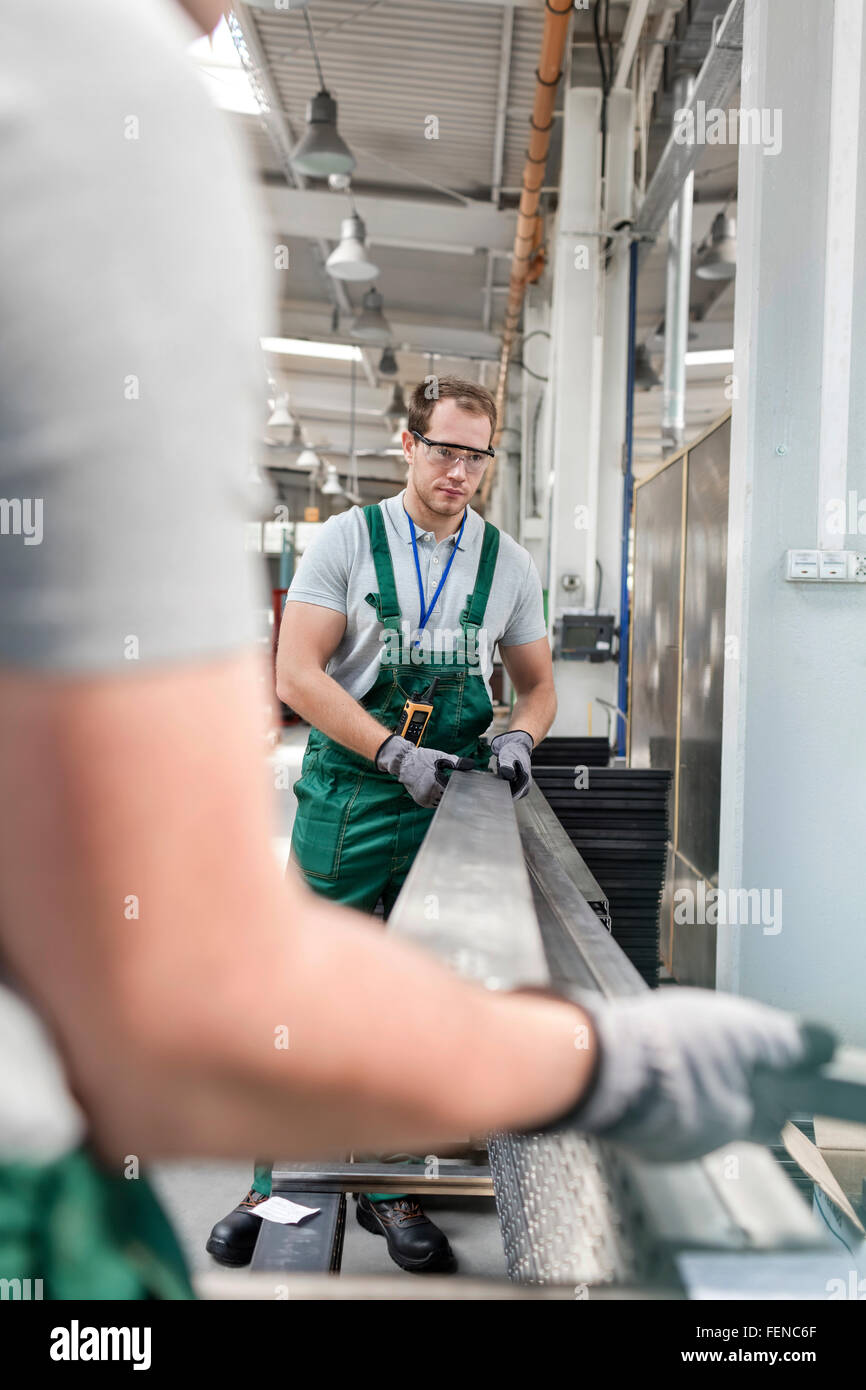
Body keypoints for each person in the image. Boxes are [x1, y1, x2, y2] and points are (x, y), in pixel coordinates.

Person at [0, 0, 835, 1300]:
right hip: (349, 804)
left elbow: (531, 673)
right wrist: (607, 1064)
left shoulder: (500, 564)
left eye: (479, 453)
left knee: (393, 984)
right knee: (305, 995)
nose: (459, 469)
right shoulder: (341, 538)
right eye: (443, 448)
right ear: (406, 446)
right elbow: (280, 713)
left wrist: (510, 733)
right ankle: (294, 1183)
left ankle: (386, 1191)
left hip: (443, 810)